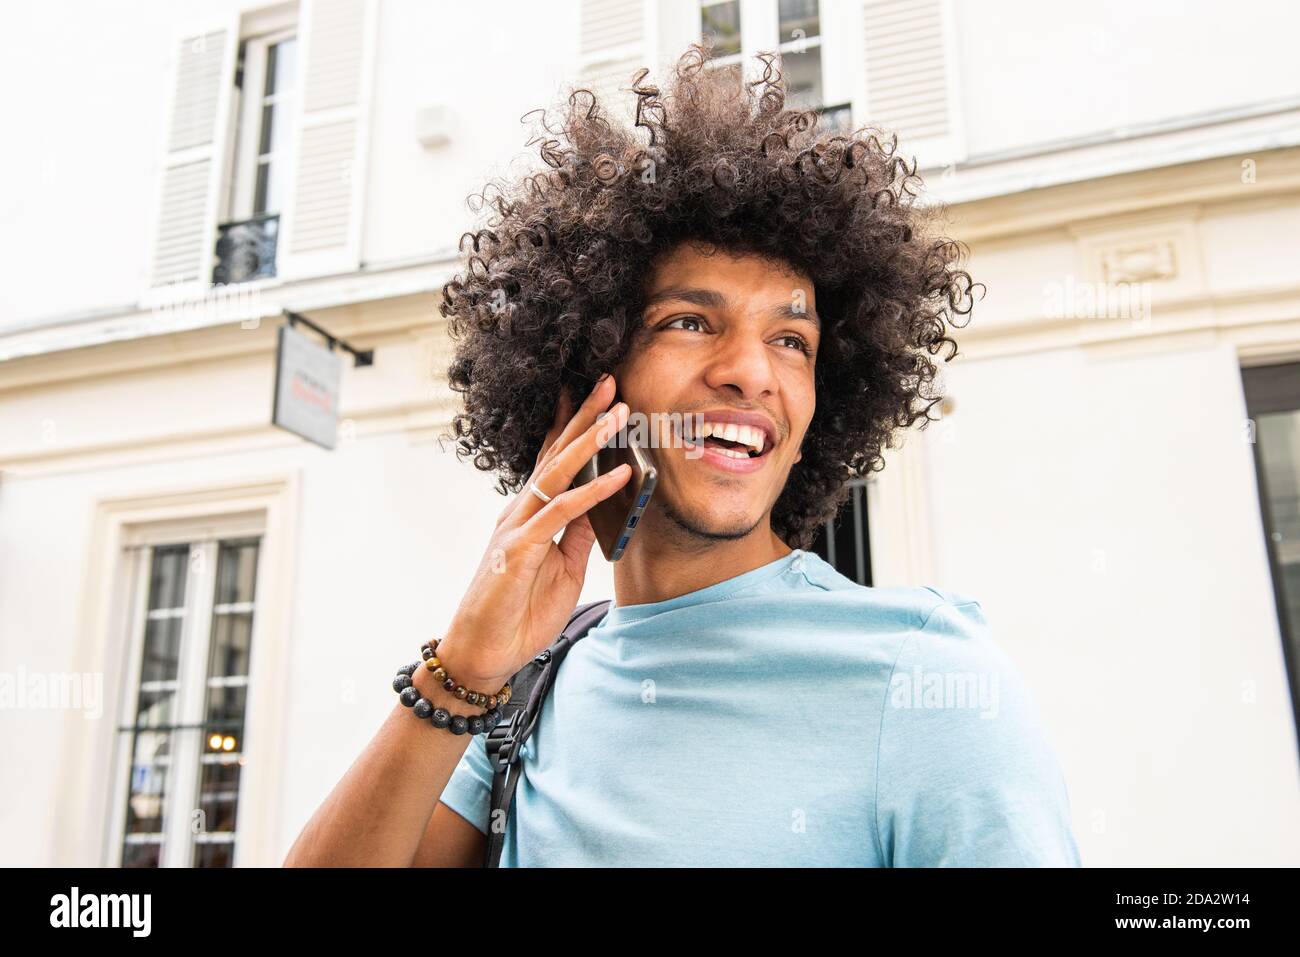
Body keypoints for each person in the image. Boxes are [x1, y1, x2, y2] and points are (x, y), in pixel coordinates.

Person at [284, 42, 1081, 867]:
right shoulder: (522, 692)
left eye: (791, 339)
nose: (750, 372)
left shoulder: (926, 682)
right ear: (585, 371)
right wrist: (463, 669)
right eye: (689, 322)